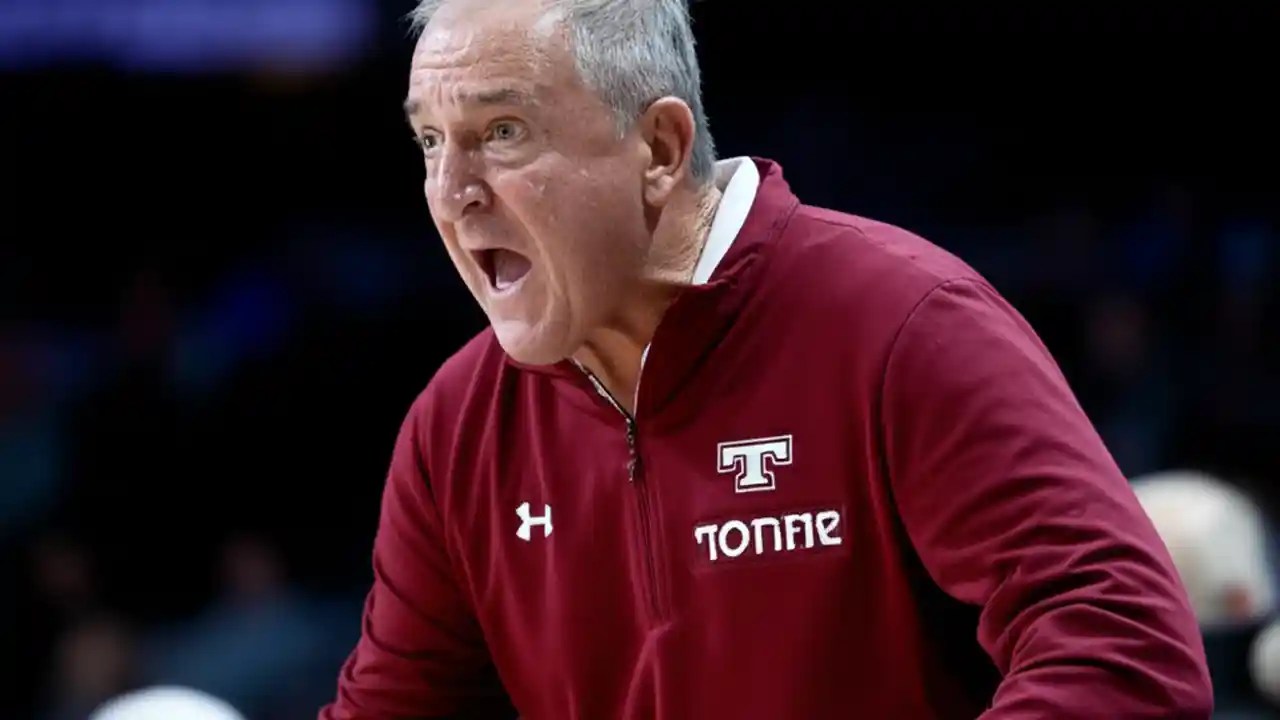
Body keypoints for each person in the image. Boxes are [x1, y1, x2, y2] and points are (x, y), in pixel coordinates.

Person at [320, 0, 1213, 717]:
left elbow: (1120, 645)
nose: (451, 192)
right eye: (430, 141)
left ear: (661, 150)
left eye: (502, 131)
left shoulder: (901, 324)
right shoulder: (459, 424)